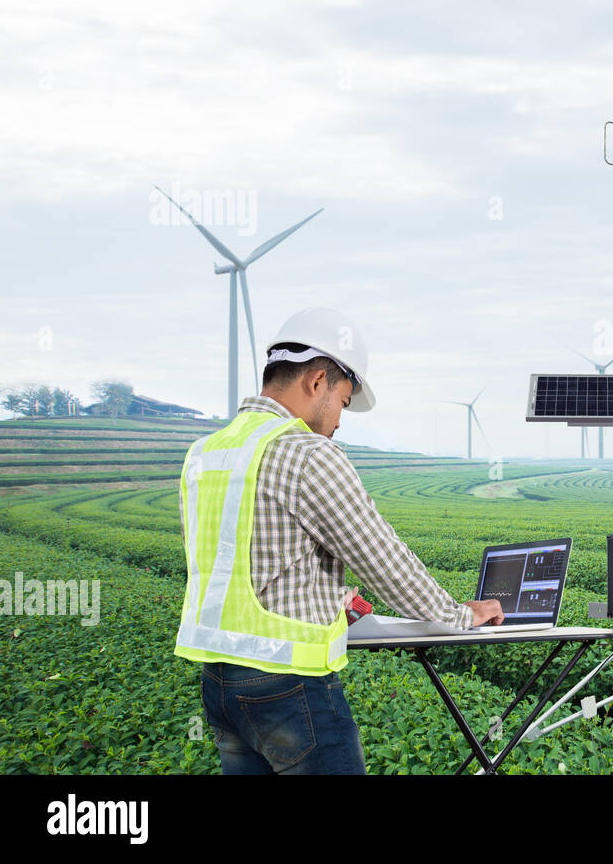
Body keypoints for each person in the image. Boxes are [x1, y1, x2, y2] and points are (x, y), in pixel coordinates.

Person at [174, 306, 503, 774]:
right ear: (317, 381)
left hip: (221, 687)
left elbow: (234, 562)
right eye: (344, 402)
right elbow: (385, 561)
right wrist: (458, 615)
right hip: (288, 688)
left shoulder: (205, 454)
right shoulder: (307, 453)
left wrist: (329, 594)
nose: (340, 422)